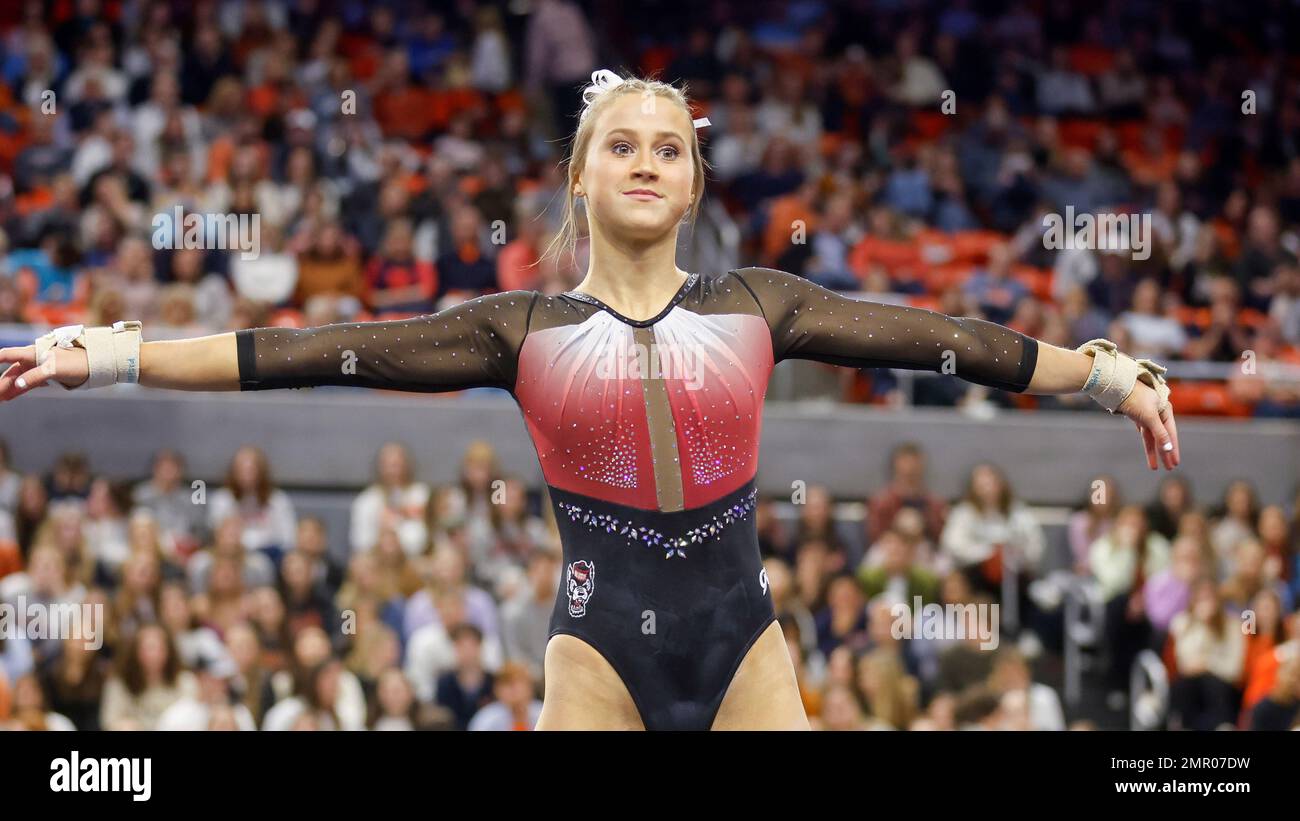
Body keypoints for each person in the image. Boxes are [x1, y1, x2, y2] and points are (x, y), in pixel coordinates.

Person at [0, 70, 1182, 731]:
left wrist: (1105, 371)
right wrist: (111, 352)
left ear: (692, 183)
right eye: (623, 144)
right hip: (598, 654)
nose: (648, 161)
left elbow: (950, 340)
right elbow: (304, 349)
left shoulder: (756, 306)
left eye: (670, 147)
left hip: (744, 650)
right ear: (581, 174)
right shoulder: (519, 330)